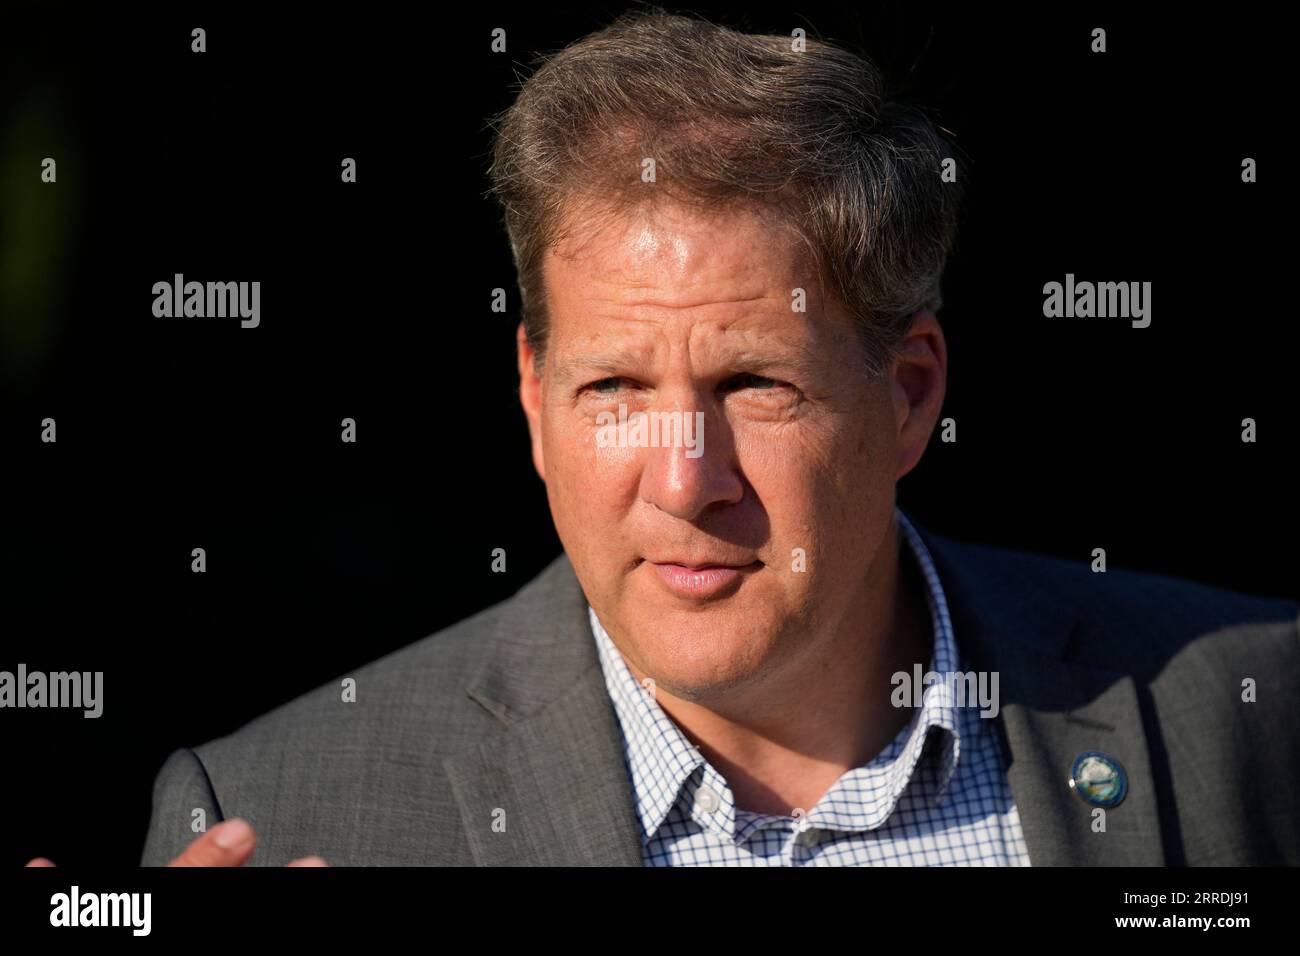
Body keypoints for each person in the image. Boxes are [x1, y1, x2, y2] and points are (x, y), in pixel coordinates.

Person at [30, 9, 1300, 869]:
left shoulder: (1248, 710)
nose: (684, 482)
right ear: (532, 397)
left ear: (909, 395)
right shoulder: (286, 811)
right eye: (613, 387)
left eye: (755, 384)